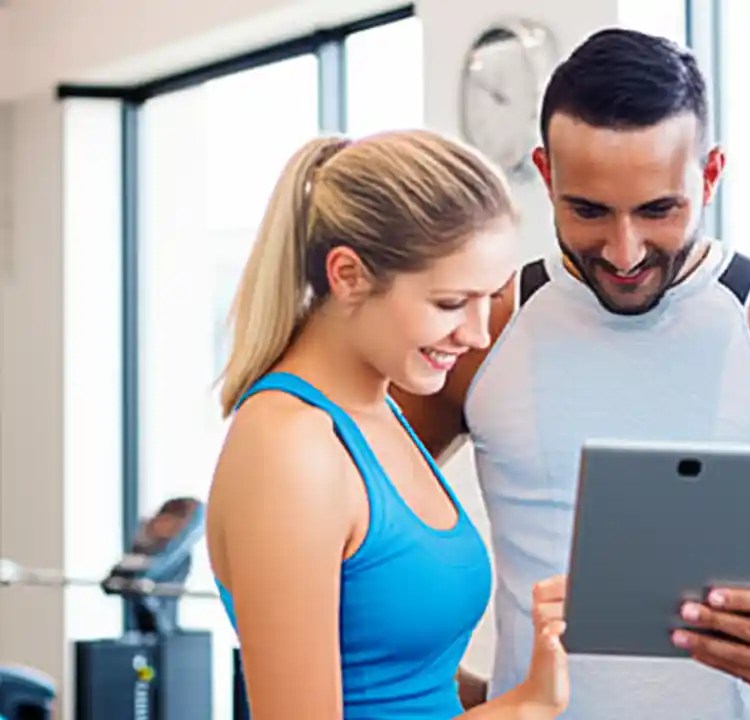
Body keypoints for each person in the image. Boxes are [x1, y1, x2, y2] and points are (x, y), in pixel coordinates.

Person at [393, 28, 750, 720]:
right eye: (589, 211)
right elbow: (359, 513)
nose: (624, 251)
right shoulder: (482, 327)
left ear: (709, 176)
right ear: (547, 174)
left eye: (659, 209)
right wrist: (449, 689)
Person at [205, 130, 571, 720]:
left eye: (490, 299)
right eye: (452, 304)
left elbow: (410, 685)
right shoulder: (292, 446)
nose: (478, 334)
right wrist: (523, 707)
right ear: (348, 275)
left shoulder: (382, 412)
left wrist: (535, 683)